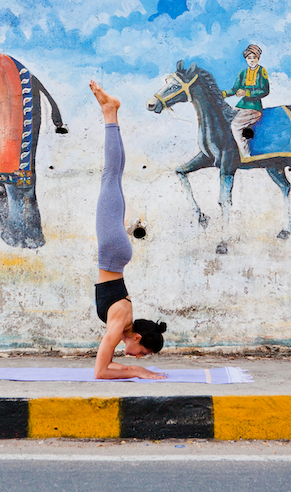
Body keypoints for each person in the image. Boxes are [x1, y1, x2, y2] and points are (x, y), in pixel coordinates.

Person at [90, 80, 167, 380]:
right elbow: (101, 371)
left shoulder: (123, 323)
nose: (139, 357)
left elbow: (103, 368)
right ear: (137, 338)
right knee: (111, 176)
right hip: (112, 251)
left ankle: (111, 113)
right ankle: (110, 113)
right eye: (143, 352)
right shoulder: (122, 319)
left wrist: (138, 369)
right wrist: (138, 371)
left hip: (115, 254)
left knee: (113, 177)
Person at [222, 44, 269, 157]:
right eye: (249, 58)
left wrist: (247, 93)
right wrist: (222, 94)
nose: (252, 60)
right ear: (246, 59)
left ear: (258, 58)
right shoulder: (243, 73)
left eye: (254, 58)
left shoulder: (262, 71)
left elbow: (265, 90)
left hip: (254, 108)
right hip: (241, 106)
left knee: (235, 126)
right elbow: (235, 89)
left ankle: (246, 156)